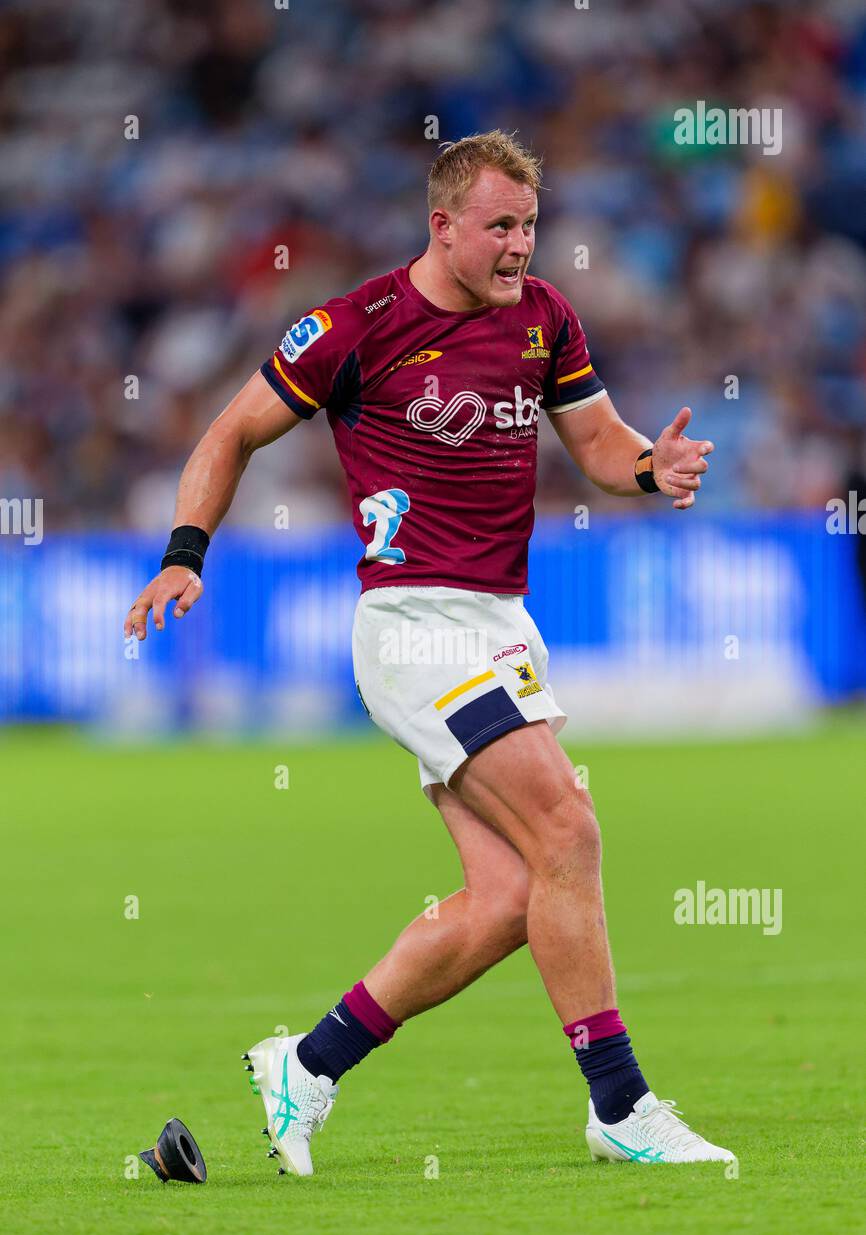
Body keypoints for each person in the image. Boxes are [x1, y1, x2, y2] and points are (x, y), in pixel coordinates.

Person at [125, 131, 734, 1173]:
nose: (517, 248)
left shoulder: (544, 318)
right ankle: (619, 1105)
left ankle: (304, 1064)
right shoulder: (354, 326)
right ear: (440, 224)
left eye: (529, 226)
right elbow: (228, 433)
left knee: (509, 897)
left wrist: (651, 468)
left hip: (502, 624)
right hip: (412, 624)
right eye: (498, 226)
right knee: (568, 829)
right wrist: (186, 555)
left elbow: (597, 448)